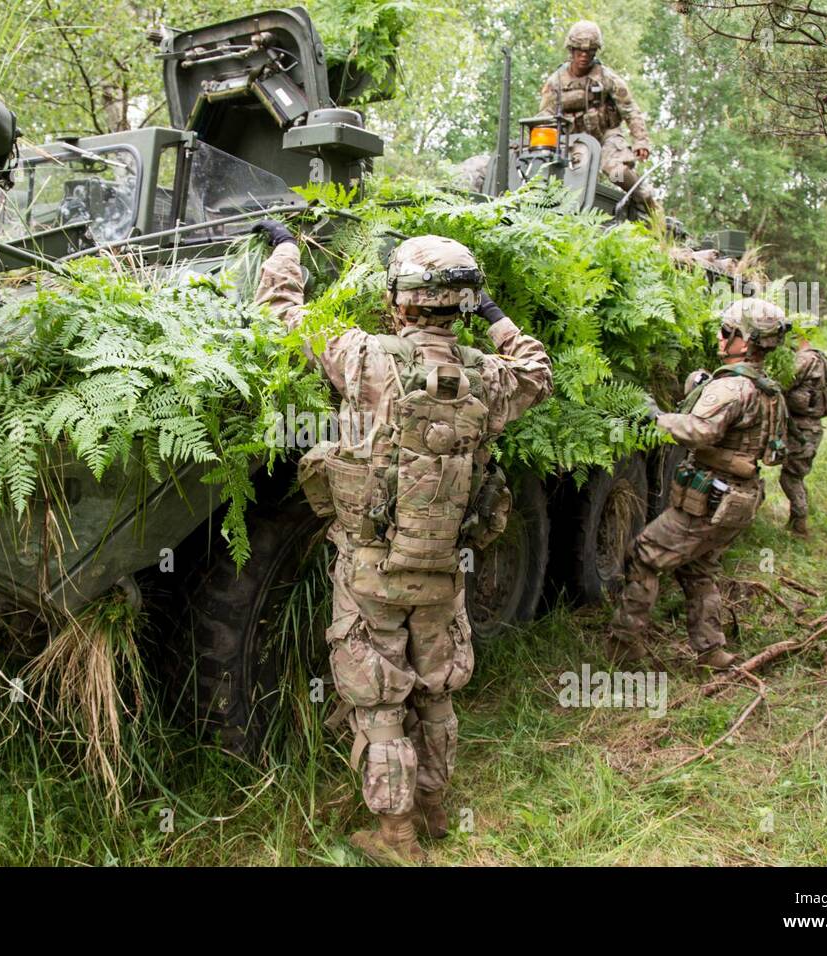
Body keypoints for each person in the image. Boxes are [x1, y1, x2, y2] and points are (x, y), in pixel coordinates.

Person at [252, 220, 553, 863]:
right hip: (445, 569)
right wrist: (493, 311)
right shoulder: (489, 378)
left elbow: (280, 314)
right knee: (436, 689)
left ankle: (397, 836)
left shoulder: (364, 357)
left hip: (371, 571)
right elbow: (536, 367)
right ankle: (438, 810)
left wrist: (285, 248)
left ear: (398, 301)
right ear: (462, 307)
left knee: (380, 698)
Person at [607, 298, 790, 669]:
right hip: (739, 500)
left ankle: (625, 644)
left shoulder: (732, 388)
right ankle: (711, 650)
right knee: (698, 568)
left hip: (711, 499)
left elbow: (700, 432)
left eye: (727, 333)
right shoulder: (768, 390)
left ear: (746, 341)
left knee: (644, 554)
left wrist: (656, 418)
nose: (721, 339)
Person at [539, 20, 654, 205]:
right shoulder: (556, 82)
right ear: (571, 50)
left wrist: (641, 141)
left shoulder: (606, 78)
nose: (584, 56)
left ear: (595, 52)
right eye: (579, 50)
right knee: (571, 174)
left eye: (589, 51)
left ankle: (646, 200)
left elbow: (630, 109)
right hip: (574, 142)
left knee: (617, 172)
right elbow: (544, 116)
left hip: (606, 137)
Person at [781, 334, 827, 536]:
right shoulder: (820, 357)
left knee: (790, 478)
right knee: (796, 475)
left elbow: (783, 384)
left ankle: (799, 527)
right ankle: (799, 518)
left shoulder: (804, 359)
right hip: (810, 427)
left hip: (803, 430)